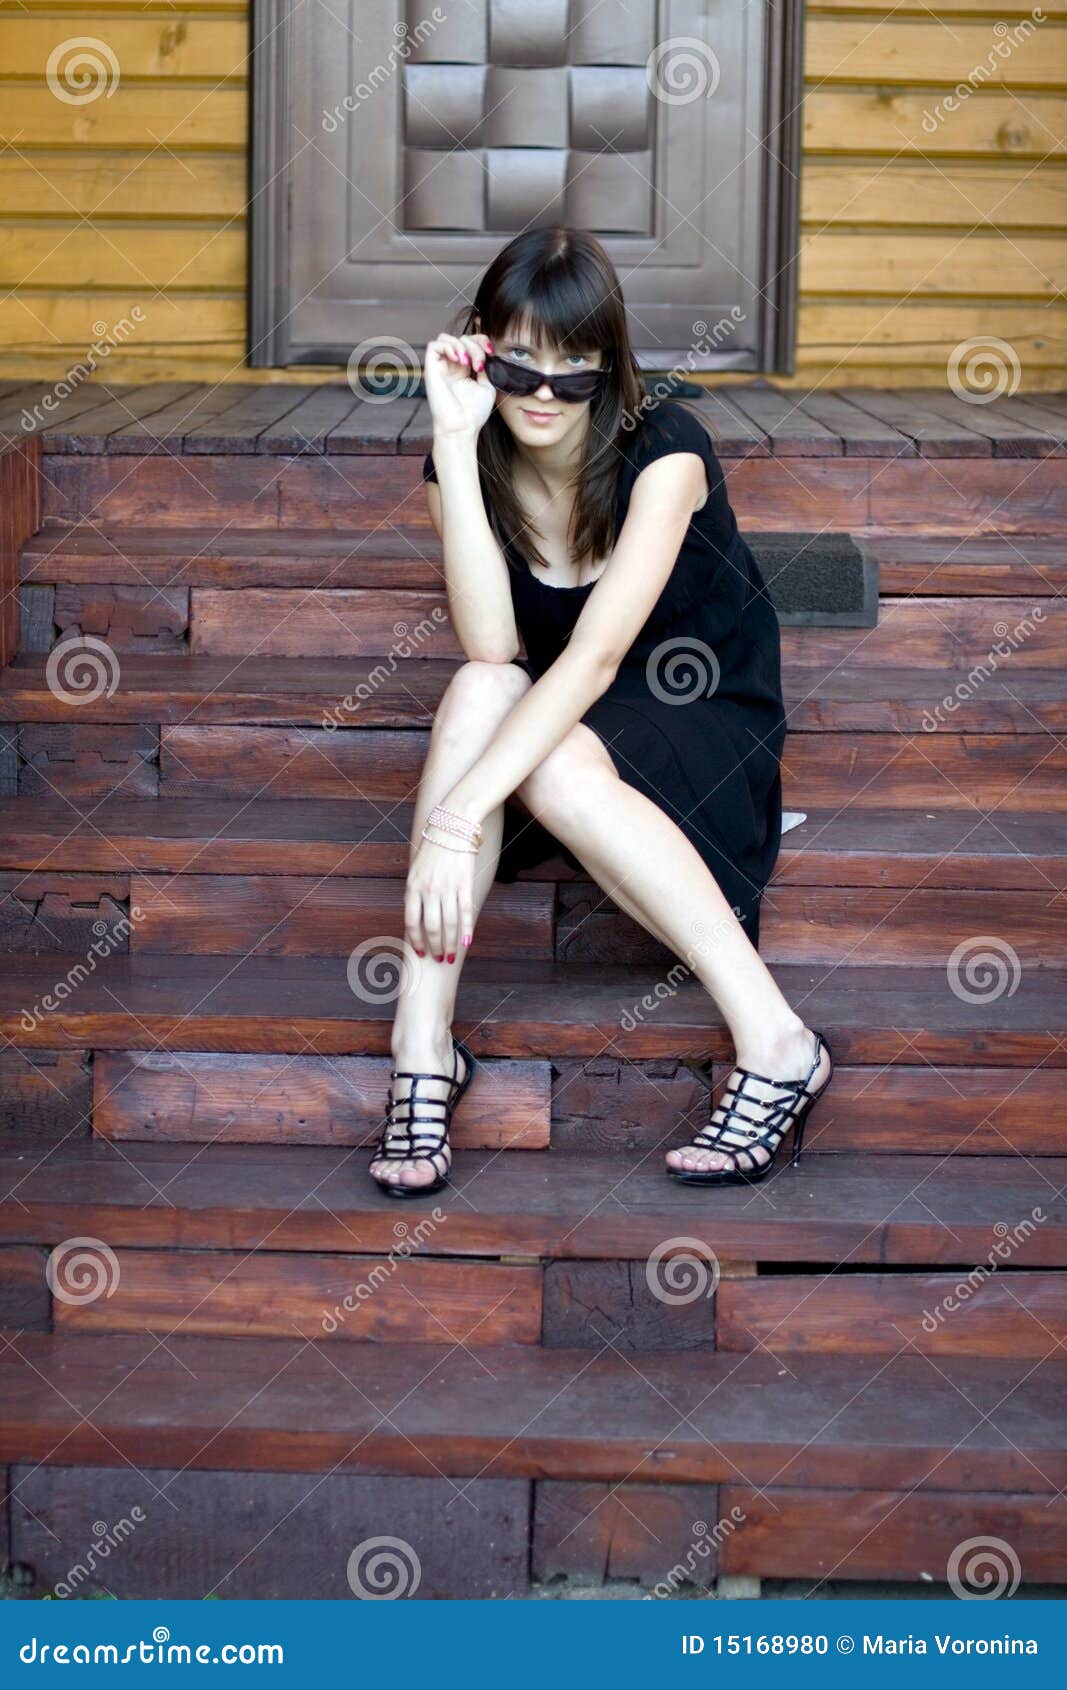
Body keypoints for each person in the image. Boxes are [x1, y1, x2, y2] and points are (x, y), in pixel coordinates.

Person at [369, 226, 832, 1198]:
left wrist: (457, 816)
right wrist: (452, 438)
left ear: (609, 366)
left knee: (545, 754)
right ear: (479, 347)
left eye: (574, 370)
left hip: (698, 710)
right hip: (565, 731)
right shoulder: (470, 456)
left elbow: (595, 658)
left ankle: (779, 1043)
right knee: (479, 689)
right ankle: (422, 1049)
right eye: (518, 364)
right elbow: (492, 645)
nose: (543, 394)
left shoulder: (666, 450)